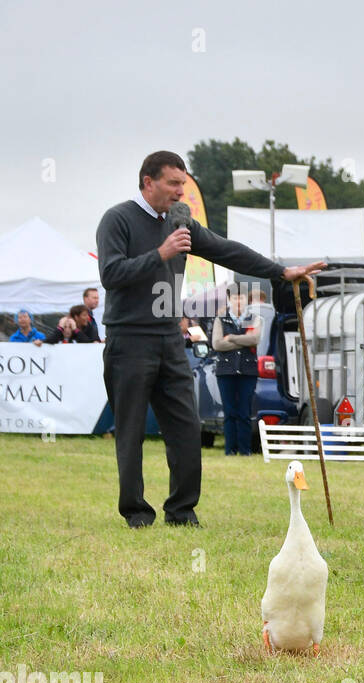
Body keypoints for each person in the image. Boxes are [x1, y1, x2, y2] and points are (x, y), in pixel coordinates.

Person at [96, 150, 324, 529]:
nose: (181, 192)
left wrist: (282, 271)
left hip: (171, 338)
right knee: (131, 431)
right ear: (148, 182)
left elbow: (229, 251)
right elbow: (111, 273)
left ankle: (182, 511)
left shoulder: (179, 223)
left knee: (186, 426)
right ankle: (136, 513)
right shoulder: (117, 219)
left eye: (184, 184)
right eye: (173, 183)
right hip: (129, 338)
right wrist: (160, 253)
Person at [212, 288, 260, 456]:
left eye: (241, 298)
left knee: (244, 412)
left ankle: (245, 450)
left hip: (248, 371)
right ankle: (230, 450)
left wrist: (231, 338)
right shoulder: (220, 319)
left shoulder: (254, 319)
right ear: (229, 300)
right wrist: (244, 342)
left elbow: (254, 339)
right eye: (234, 298)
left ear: (246, 300)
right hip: (226, 371)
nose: (238, 301)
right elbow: (217, 344)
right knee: (229, 412)